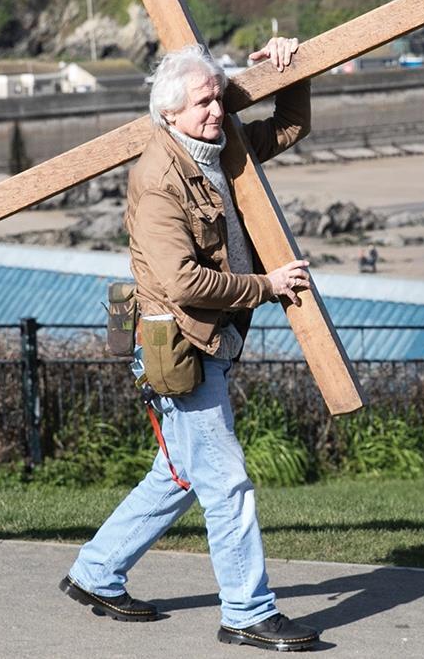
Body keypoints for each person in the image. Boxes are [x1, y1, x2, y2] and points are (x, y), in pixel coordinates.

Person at [62, 37, 323, 653]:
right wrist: (265, 286)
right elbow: (183, 281)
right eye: (204, 103)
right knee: (226, 481)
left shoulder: (222, 144)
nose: (216, 110)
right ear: (169, 114)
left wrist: (290, 66)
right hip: (181, 343)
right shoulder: (157, 180)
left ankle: (95, 573)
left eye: (219, 98)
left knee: (179, 474)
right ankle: (247, 612)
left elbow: (292, 123)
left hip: (211, 338)